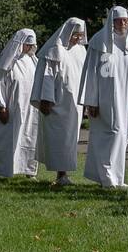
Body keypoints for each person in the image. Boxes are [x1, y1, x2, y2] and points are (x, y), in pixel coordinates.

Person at [82, 6, 128, 189]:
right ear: (111, 22)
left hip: (126, 100)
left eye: (125, 20)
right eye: (118, 20)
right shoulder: (99, 42)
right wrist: (91, 100)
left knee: (123, 135)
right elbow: (91, 73)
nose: (122, 23)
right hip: (105, 100)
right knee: (112, 134)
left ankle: (117, 177)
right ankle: (107, 177)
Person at [32, 18, 88, 186]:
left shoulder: (81, 51)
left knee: (70, 138)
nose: (77, 39)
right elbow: (48, 77)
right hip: (57, 102)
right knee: (59, 138)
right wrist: (46, 99)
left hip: (74, 103)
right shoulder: (55, 50)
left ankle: (64, 174)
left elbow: (84, 76)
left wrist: (85, 98)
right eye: (75, 35)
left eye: (80, 35)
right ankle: (60, 174)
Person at [0, 28, 39, 179]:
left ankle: (29, 171)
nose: (29, 47)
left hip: (29, 109)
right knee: (7, 140)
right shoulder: (6, 62)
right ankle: (1, 171)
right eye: (26, 44)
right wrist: (1, 106)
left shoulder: (32, 61)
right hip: (10, 108)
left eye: (31, 44)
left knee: (29, 137)